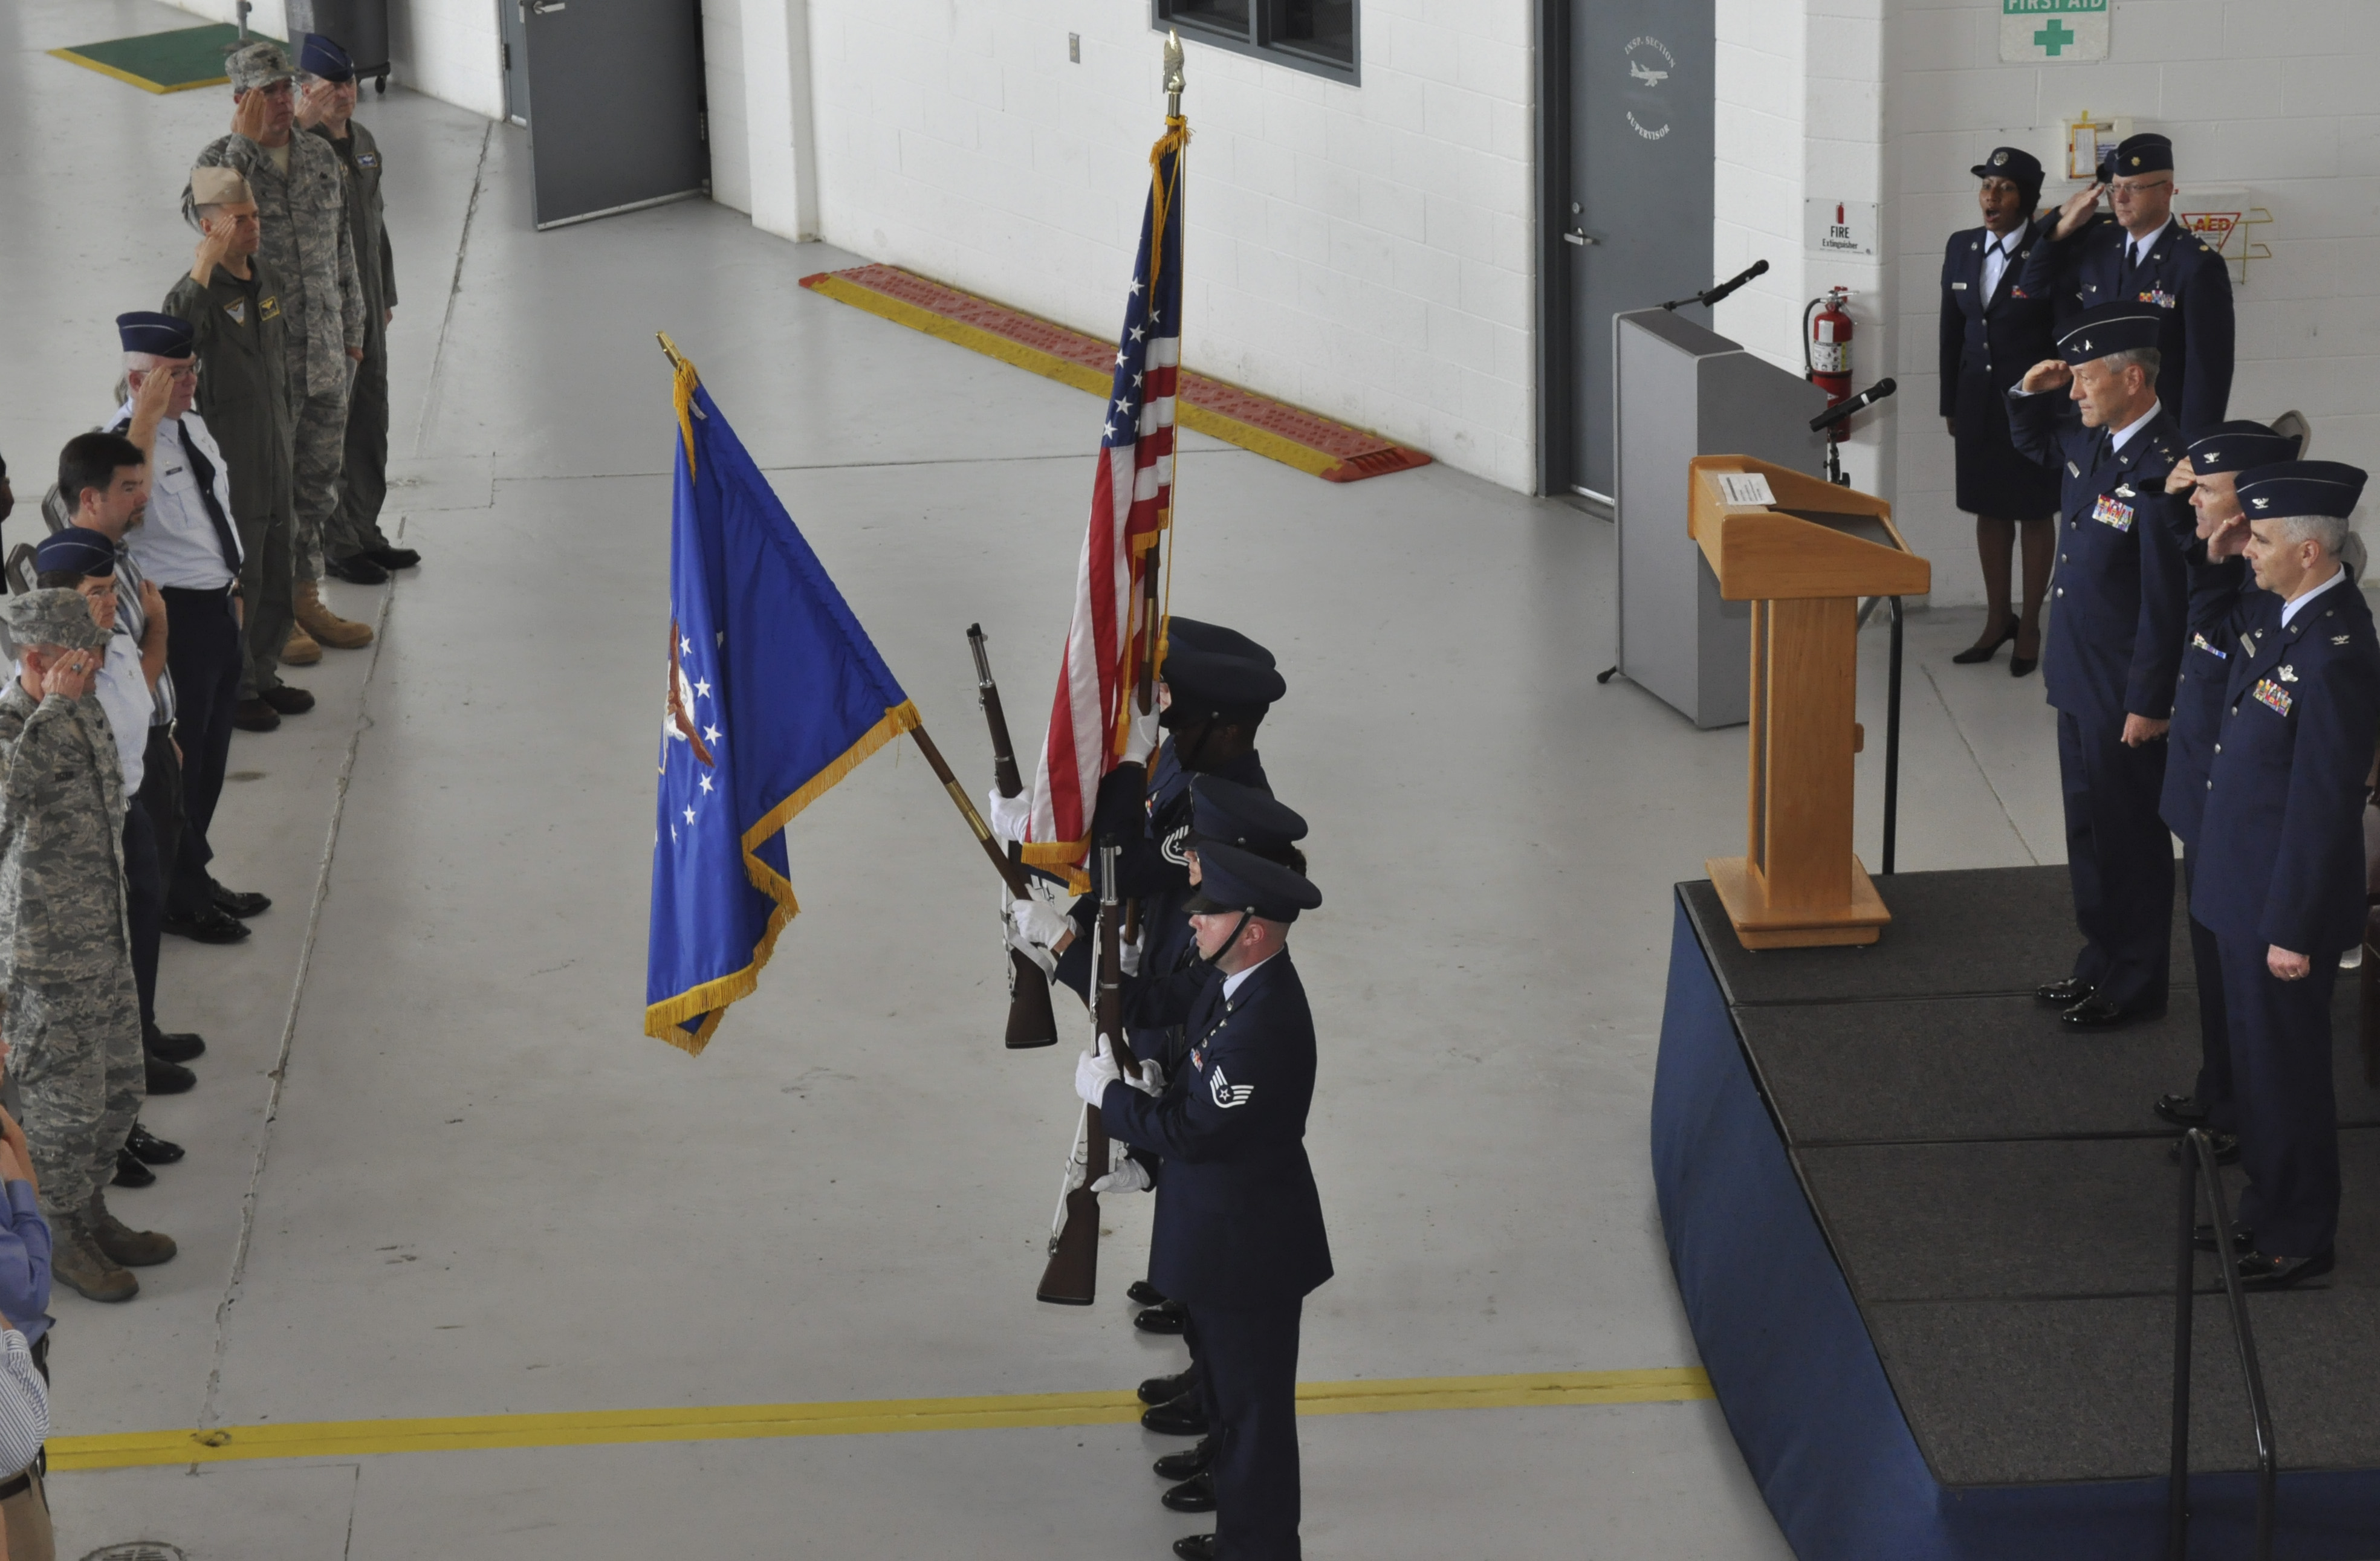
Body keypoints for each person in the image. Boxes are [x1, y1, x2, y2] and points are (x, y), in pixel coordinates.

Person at [1087, 842, 1329, 1561]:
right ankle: (1237, 1522)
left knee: (1254, 1416)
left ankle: (1256, 1549)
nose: (1192, 924)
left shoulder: (1262, 1025)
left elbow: (1197, 1127)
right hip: (1221, 1232)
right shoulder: (1233, 987)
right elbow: (1202, 1110)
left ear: (1251, 930)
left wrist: (1112, 1102)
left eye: (1207, 915)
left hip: (1250, 1253)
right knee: (1228, 1397)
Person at [2190, 461, 2380, 1289]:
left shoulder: (2337, 649)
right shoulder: (2284, 613)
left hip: (2280, 904)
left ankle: (2301, 1232)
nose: (2247, 547)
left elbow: (2322, 804)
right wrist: (2224, 547)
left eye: (2261, 538)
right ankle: (2265, 1206)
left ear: (2308, 550)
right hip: (2242, 885)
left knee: (2289, 1075)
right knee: (2256, 1066)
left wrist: (2294, 927)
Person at [2008, 306, 2188, 1029]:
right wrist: (2030, 389)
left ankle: (2137, 981)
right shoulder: (2097, 444)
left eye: (2085, 378)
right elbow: (2030, 440)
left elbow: (2165, 603)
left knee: (2131, 841)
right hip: (2078, 675)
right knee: (2087, 830)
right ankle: (2100, 961)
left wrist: (2150, 700)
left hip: (2123, 691)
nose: (2074, 391)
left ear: (2132, 378)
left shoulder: (2165, 470)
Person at [0, 586, 175, 1302]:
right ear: (37, 659)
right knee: (59, 1112)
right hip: (46, 964)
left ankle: (90, 1210)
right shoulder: (20, 727)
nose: (99, 671)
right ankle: (59, 1232)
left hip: (104, 939)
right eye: (85, 658)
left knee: (118, 1089)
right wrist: (53, 711)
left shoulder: (81, 707)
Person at [188, 40, 376, 662]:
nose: (279, 101)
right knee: (267, 494)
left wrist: (355, 332)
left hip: (326, 353)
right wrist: (243, 147)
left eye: (284, 89)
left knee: (317, 486)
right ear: (240, 99)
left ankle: (305, 597)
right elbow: (204, 221)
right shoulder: (219, 163)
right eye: (265, 91)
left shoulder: (320, 154)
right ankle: (269, 619)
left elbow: (343, 248)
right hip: (262, 361)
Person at [2148, 422, 2302, 1155]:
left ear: (2250, 506)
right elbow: (2203, 632)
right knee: (2212, 976)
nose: (2194, 503)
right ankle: (2223, 1095)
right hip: (2202, 802)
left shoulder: (2278, 590)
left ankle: (2247, 1115)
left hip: (2240, 819)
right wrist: (2203, 545)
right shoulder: (2226, 568)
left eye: (2206, 491)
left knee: (2246, 993)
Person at [107, 317, 276, 952]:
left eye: (192, 371)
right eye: (175, 377)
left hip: (215, 608)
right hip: (171, 616)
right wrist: (144, 417)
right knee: (179, 768)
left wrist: (232, 594)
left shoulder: (192, 426)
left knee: (209, 759)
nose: (191, 384)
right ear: (136, 379)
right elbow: (135, 504)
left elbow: (214, 516)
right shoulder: (120, 445)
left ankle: (195, 876)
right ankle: (180, 898)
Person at [26, 527, 197, 1106]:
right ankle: (118, 1080)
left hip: (132, 801)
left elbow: (136, 691)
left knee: (142, 931)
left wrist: (159, 735)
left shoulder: (111, 634)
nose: (109, 599)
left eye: (108, 587)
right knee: (107, 965)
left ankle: (140, 1036)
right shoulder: (55, 669)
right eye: (96, 590)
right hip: (93, 834)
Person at [163, 169, 305, 732]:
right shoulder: (194, 294)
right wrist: (203, 267)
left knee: (277, 556)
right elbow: (173, 342)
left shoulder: (265, 277)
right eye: (240, 220)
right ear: (210, 225)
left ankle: (264, 672)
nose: (254, 227)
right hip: (233, 452)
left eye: (255, 217)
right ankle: (239, 686)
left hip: (275, 440)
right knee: (242, 567)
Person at [296, 33, 418, 584]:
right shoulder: (299, 149)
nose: (344, 95)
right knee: (333, 427)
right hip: (329, 313)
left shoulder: (363, 142)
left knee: (372, 419)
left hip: (369, 303)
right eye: (331, 86)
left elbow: (377, 226)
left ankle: (366, 529)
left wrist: (385, 295)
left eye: (349, 84)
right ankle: (336, 542)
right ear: (307, 90)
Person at [2015, 132, 2234, 436]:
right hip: (2093, 424)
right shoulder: (2100, 242)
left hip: (2156, 431)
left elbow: (2208, 372)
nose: (2119, 199)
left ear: (2167, 191)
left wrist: (2192, 452)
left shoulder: (2195, 264)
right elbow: (2030, 286)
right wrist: (2062, 226)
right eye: (2114, 188)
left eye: (2133, 188)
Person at [1941, 147, 2061, 673]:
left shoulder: (2048, 251)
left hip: (2032, 409)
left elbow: (2062, 332)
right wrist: (1949, 401)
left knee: (2034, 512)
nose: (1990, 196)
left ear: (2026, 199)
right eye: (1986, 185)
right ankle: (1997, 618)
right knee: (1988, 509)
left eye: (2004, 187)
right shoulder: (1962, 247)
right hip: (1976, 403)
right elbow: (1951, 329)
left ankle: (2030, 624)